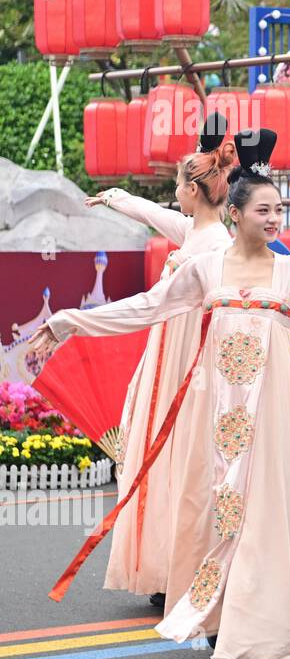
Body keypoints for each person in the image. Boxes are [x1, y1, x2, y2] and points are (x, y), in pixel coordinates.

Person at [33, 129, 290, 659]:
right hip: (219, 420)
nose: (275, 219)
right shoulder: (206, 270)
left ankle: (284, 642)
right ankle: (223, 614)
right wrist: (67, 322)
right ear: (236, 214)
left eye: (279, 210)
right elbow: (145, 308)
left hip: (276, 422)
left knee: (273, 517)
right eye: (264, 209)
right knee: (222, 514)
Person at [85, 118, 235, 607]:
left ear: (194, 189)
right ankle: (166, 565)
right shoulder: (196, 232)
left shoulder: (218, 246)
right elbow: (154, 214)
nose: (173, 195)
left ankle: (186, 567)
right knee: (163, 456)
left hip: (192, 365)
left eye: (177, 186)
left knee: (186, 460)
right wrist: (115, 198)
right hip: (167, 359)